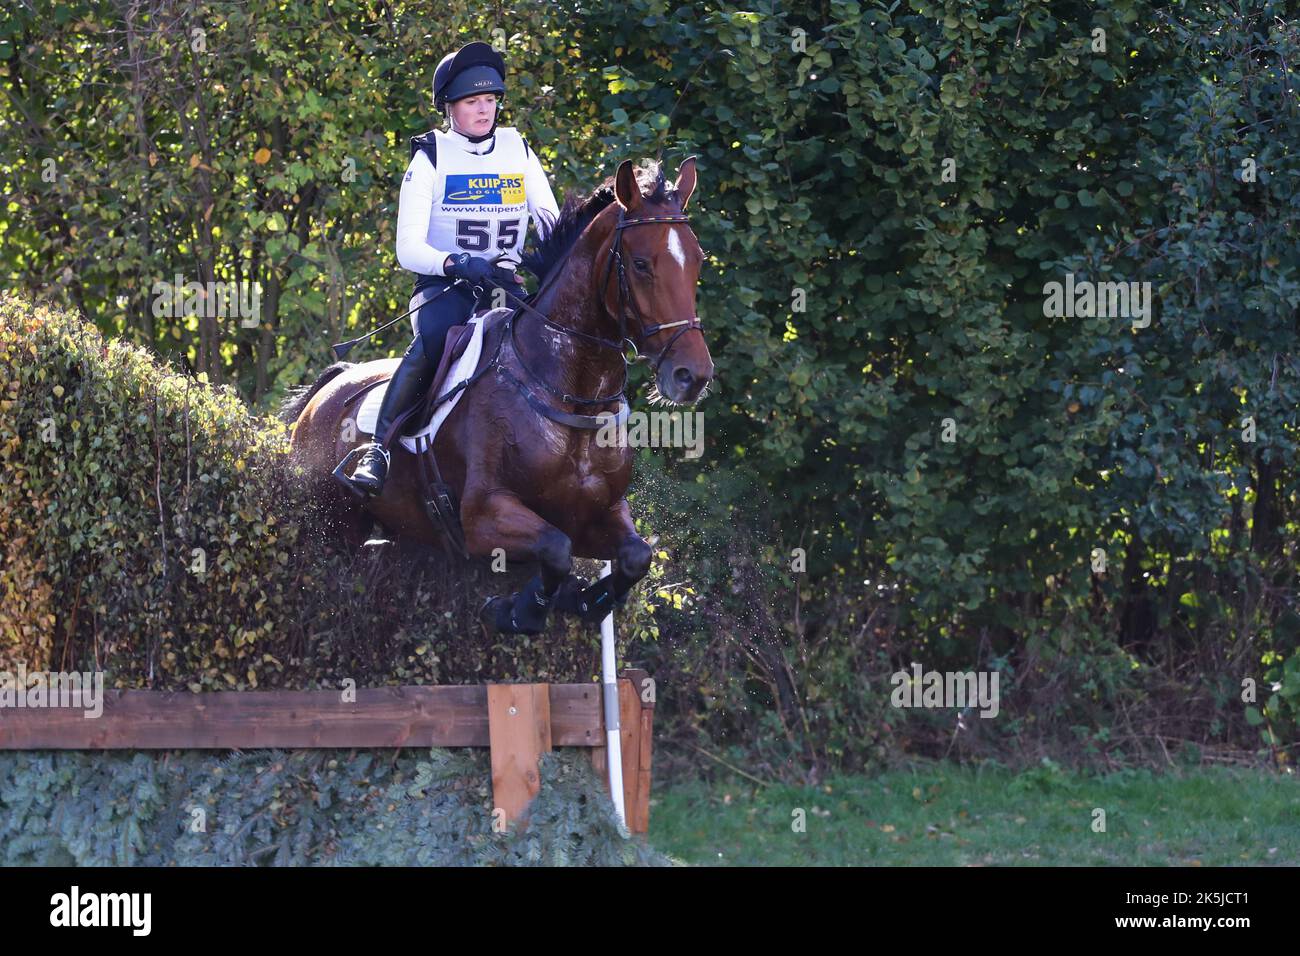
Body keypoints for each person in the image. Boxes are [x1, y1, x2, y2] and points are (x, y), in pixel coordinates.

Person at [346, 40, 560, 497]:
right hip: (449, 287)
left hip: (506, 285)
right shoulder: (431, 156)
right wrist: (456, 262)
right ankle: (379, 449)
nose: (484, 111)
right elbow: (407, 248)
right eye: (472, 102)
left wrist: (536, 260)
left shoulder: (518, 149)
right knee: (436, 339)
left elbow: (549, 221)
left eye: (490, 101)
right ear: (450, 108)